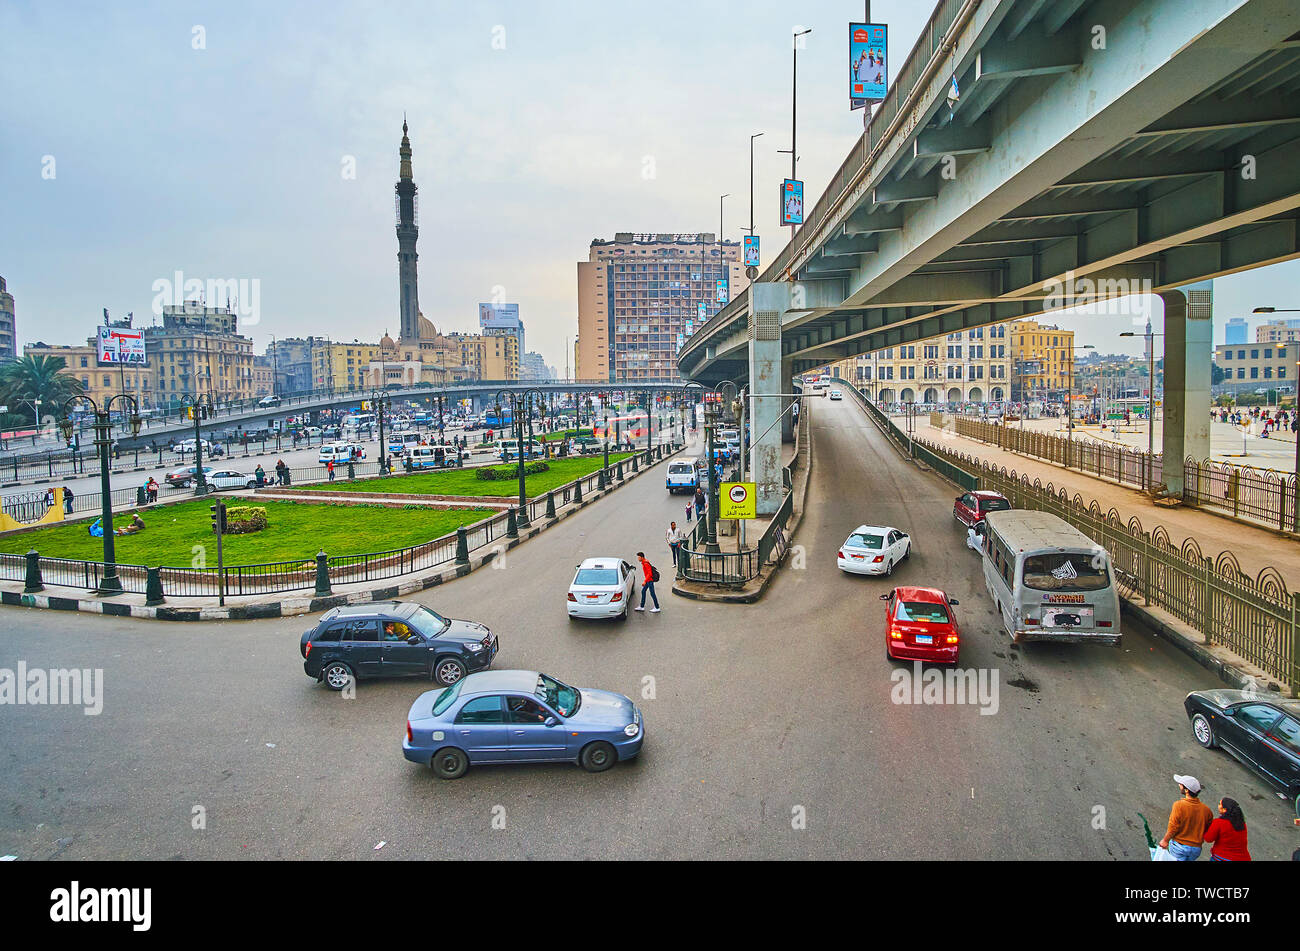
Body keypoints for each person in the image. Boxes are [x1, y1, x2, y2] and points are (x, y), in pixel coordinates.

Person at [1159, 774, 1214, 861]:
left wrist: (1165, 840)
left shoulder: (1179, 805)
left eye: (1180, 784)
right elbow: (1207, 829)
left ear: (1186, 790)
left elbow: (1173, 826)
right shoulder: (1207, 811)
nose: (1179, 785)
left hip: (1179, 847)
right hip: (1196, 849)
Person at [1202, 797, 1251, 861]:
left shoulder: (1219, 823)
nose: (1218, 805)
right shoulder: (1242, 824)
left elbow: (1208, 838)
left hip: (1222, 857)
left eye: (1219, 804)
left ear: (1224, 809)